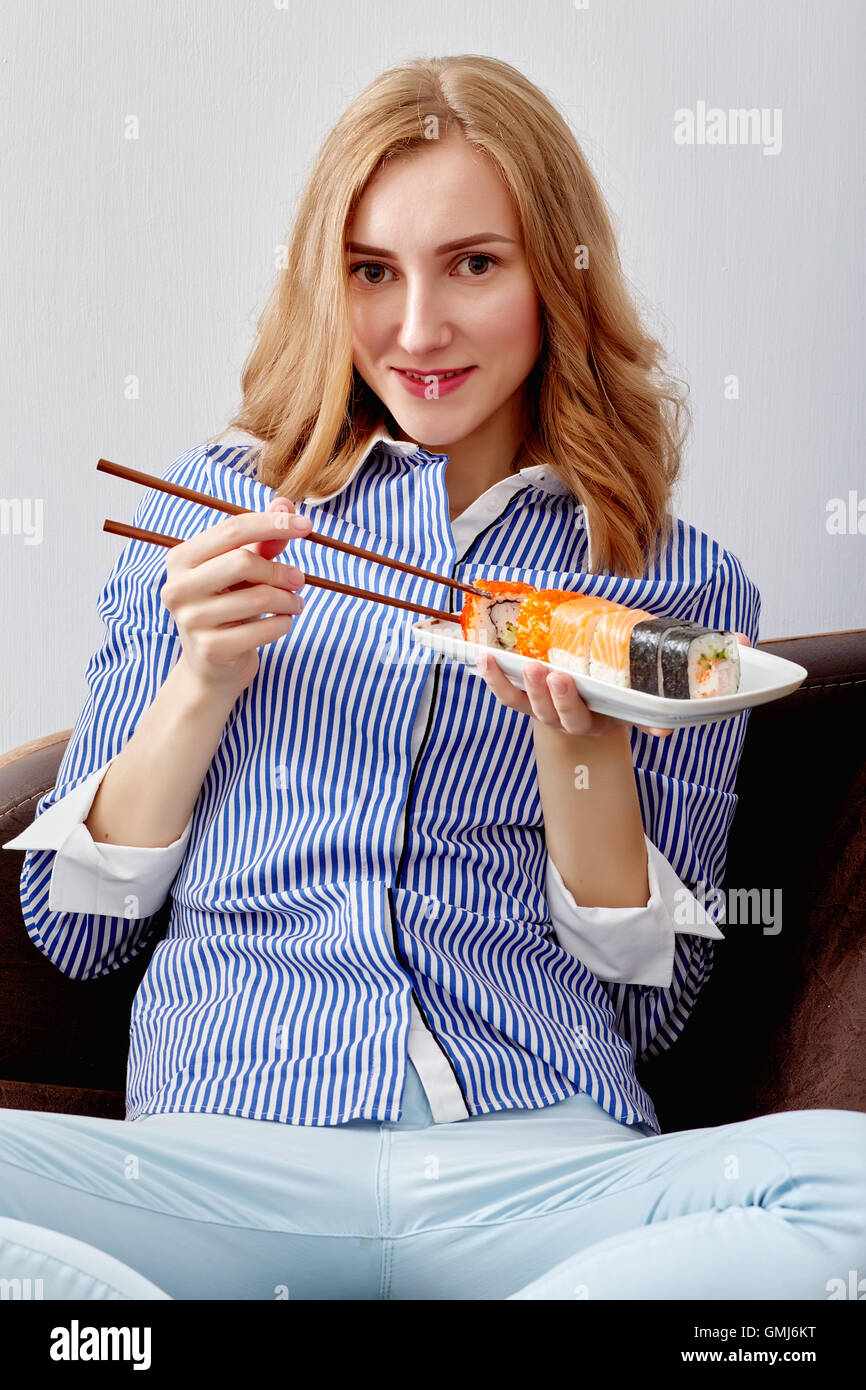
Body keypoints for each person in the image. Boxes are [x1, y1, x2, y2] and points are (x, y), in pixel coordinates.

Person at [3, 55, 865, 1302]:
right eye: (372, 271)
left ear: (552, 272)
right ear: (327, 283)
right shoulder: (217, 517)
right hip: (220, 1160)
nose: (417, 329)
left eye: (473, 263)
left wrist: (580, 745)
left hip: (538, 1166)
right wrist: (198, 681)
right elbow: (71, 934)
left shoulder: (672, 581)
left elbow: (657, 1006)